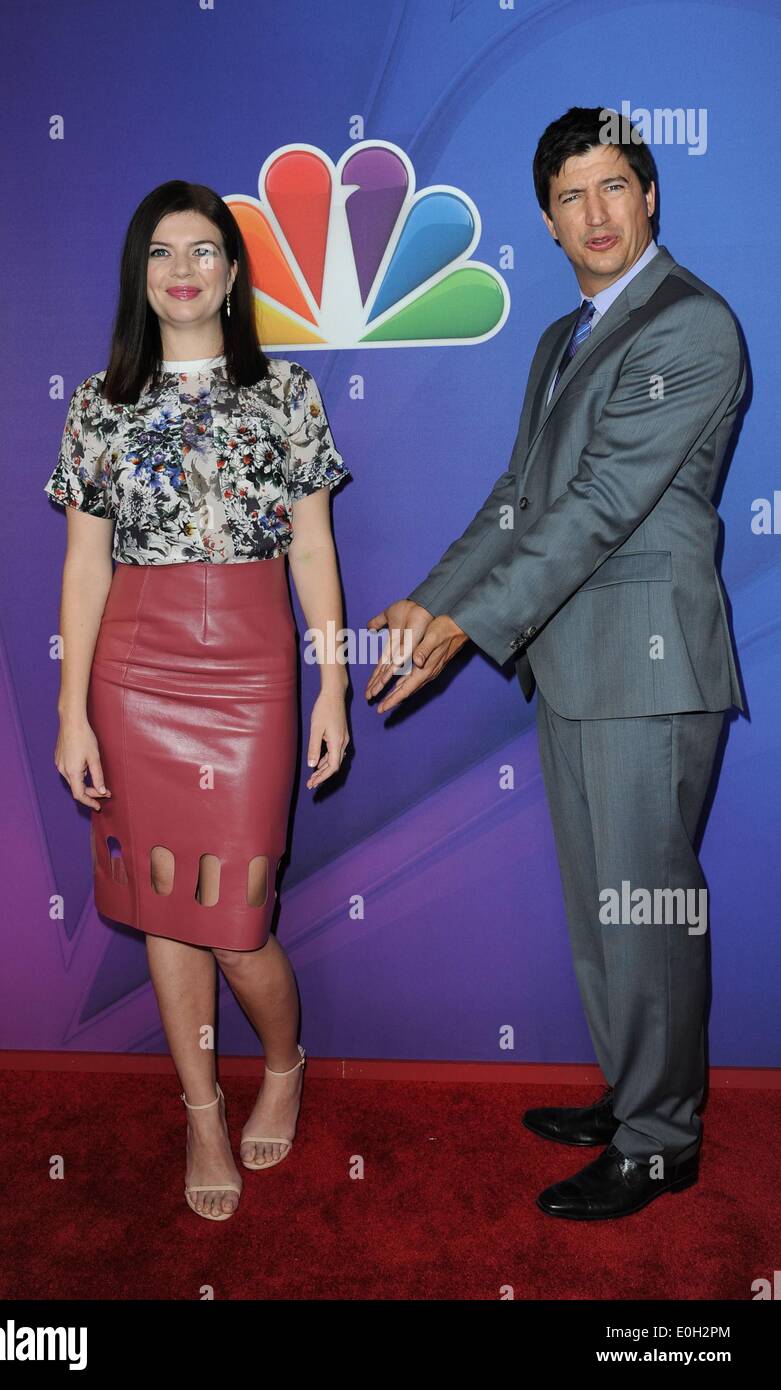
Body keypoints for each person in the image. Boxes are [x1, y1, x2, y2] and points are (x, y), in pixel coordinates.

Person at [365, 106, 747, 1220]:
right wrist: (437, 595)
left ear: (649, 196)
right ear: (544, 218)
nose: (595, 211)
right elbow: (516, 498)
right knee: (602, 913)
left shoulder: (690, 326)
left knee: (643, 911)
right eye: (572, 194)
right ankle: (635, 1095)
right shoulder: (558, 338)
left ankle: (659, 1141)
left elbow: (597, 507)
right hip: (575, 664)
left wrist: (462, 627)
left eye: (614, 185)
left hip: (646, 667)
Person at [44, 181, 351, 1221]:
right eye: (161, 251)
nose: (182, 267)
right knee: (165, 909)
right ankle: (201, 1108)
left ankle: (283, 1061)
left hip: (254, 670)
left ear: (231, 271)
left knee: (234, 920)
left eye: (204, 249)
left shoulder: (287, 394)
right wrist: (69, 709)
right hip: (134, 668)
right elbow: (85, 570)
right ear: (141, 274)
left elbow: (311, 543)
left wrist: (332, 685)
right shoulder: (98, 400)